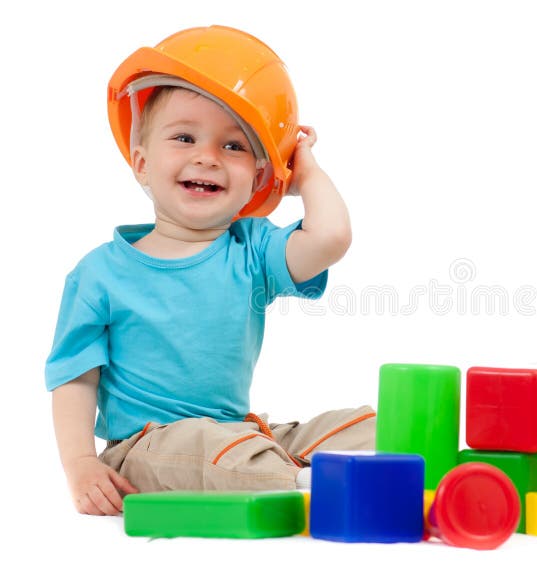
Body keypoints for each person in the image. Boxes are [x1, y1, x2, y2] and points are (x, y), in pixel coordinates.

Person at [45, 26, 375, 516]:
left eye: (234, 147)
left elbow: (331, 238)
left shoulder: (253, 250)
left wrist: (303, 170)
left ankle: (372, 463)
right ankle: (309, 485)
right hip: (144, 449)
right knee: (215, 453)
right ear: (141, 161)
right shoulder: (99, 274)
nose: (207, 156)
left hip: (240, 433)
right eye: (183, 137)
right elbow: (75, 377)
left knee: (376, 424)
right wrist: (80, 463)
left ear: (259, 180)